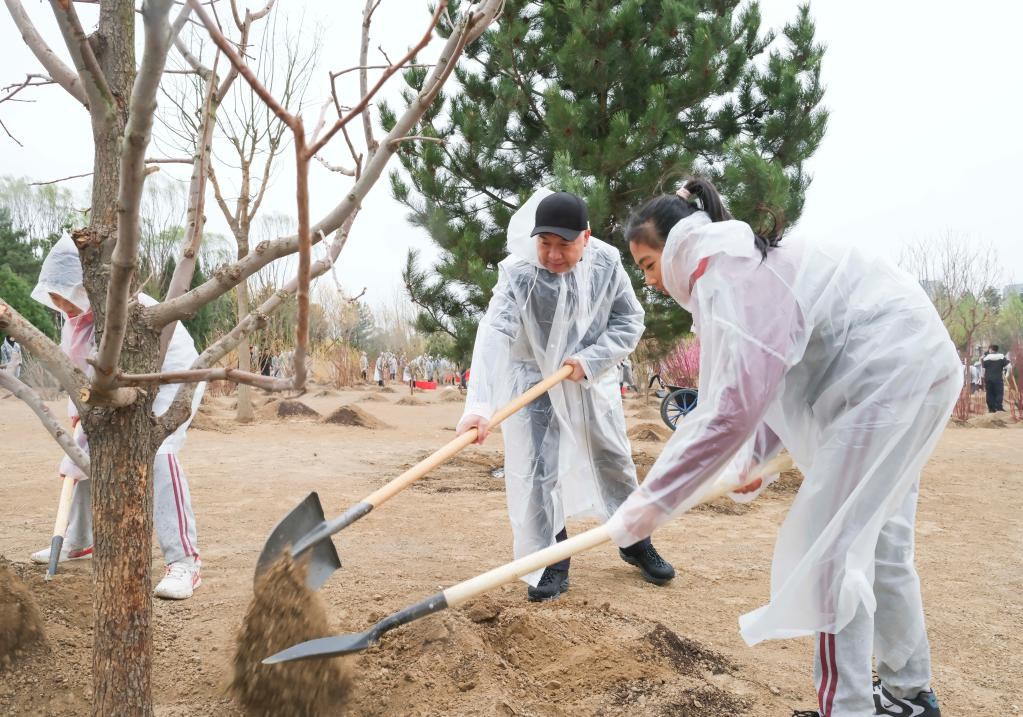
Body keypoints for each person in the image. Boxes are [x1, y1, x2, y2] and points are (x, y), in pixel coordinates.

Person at [606, 180, 956, 717]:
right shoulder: (745, 266)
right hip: (915, 368)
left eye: (648, 264)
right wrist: (755, 462)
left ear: (676, 246)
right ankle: (910, 694)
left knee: (831, 549)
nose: (650, 281)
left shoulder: (731, 279)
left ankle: (846, 709)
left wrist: (646, 507)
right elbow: (777, 389)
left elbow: (730, 412)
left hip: (882, 383)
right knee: (882, 542)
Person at [457, 188, 675, 603]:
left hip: (589, 379)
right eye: (545, 243)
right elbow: (495, 332)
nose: (553, 255)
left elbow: (629, 320)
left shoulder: (606, 262)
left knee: (613, 459)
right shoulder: (519, 272)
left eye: (564, 245)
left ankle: (635, 540)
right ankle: (550, 561)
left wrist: (591, 359)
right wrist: (479, 405)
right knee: (539, 470)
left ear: (586, 238)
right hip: (533, 383)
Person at [27, 236, 206, 600]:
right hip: (116, 387)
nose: (60, 304)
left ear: (84, 287)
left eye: (65, 296)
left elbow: (110, 375)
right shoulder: (74, 320)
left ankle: (185, 562)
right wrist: (78, 416)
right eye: (55, 297)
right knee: (83, 455)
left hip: (171, 376)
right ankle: (79, 540)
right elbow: (76, 372)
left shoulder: (126, 310)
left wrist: (88, 422)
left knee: (159, 453)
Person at [981, 345, 1011, 413]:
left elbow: (983, 369)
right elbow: (1009, 366)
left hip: (988, 378)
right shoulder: (1001, 357)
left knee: (989, 393)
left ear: (991, 349)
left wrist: (983, 377)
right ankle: (999, 407)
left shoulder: (985, 358)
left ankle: (991, 408)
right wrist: (1006, 375)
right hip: (998, 378)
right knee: (999, 393)